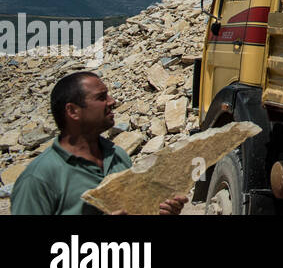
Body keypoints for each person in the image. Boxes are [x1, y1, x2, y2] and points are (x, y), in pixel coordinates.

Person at [10, 71, 187, 215]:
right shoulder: (38, 178)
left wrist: (161, 211)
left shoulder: (118, 157)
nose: (112, 101)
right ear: (73, 111)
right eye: (101, 97)